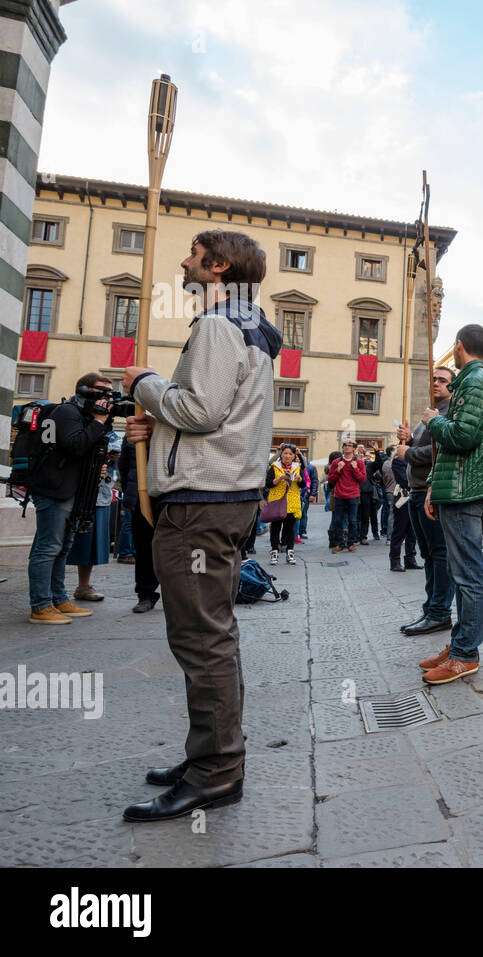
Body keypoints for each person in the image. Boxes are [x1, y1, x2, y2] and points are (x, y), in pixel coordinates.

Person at [121, 228, 280, 821]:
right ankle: (211, 756)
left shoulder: (218, 325)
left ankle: (216, 771)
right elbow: (218, 413)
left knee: (202, 638)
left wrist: (144, 385)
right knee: (212, 633)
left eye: (192, 253)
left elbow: (202, 409)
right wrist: (157, 426)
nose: (184, 261)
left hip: (202, 503)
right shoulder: (253, 324)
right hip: (221, 495)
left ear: (215, 267)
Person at [418, 325, 483, 685]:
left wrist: (434, 420)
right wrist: (435, 487)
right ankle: (458, 646)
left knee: (468, 575)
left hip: (466, 489)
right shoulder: (471, 381)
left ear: (458, 347)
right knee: (461, 573)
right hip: (458, 486)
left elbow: (462, 437)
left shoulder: (473, 382)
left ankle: (465, 653)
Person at [24, 372, 115, 624]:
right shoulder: (67, 412)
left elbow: (82, 451)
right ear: (84, 390)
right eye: (101, 392)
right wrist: (98, 421)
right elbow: (75, 445)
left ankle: (58, 599)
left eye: (109, 393)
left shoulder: (83, 416)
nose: (106, 398)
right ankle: (41, 606)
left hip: (70, 490)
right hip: (54, 489)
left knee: (63, 548)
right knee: (48, 547)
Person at [393, 366, 455, 637]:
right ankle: (431, 608)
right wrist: (409, 439)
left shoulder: (448, 413)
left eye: (443, 380)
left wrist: (408, 453)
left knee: (439, 554)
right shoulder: (429, 414)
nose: (436, 383)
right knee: (428, 554)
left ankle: (440, 612)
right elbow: (426, 445)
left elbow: (442, 451)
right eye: (434, 379)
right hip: (416, 491)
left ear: (452, 386)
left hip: (432, 491)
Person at [68, 431, 120, 603]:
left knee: (89, 545)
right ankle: (53, 589)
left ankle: (83, 586)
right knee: (63, 543)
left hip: (100, 495)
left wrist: (106, 456)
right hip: (76, 494)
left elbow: (116, 451)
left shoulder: (109, 432)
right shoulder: (79, 424)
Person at [118, 438, 160, 613]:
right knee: (143, 547)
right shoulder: (133, 433)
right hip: (141, 497)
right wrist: (130, 496)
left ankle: (177, 593)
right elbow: (125, 466)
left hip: (169, 494)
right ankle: (145, 593)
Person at [264, 443, 304, 566]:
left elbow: (303, 485)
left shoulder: (297, 467)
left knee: (290, 529)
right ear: (281, 454)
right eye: (285, 453)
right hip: (277, 501)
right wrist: (281, 478)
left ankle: (290, 552)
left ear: (294, 456)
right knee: (275, 528)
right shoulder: (274, 467)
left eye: (290, 454)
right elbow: (268, 484)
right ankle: (274, 552)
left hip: (292, 502)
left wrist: (299, 478)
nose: (287, 456)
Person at [327, 441, 367, 553]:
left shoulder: (359, 462)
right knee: (337, 520)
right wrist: (338, 470)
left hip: (353, 495)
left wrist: (355, 469)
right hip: (339, 494)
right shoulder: (336, 462)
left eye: (349, 446)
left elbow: (362, 479)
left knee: (353, 520)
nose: (347, 447)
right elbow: (330, 479)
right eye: (345, 446)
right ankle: (339, 544)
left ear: (354, 449)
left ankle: (351, 543)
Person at [384, 449, 419, 572]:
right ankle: (395, 561)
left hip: (413, 496)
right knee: (400, 530)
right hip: (403, 499)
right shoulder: (398, 461)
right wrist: (418, 483)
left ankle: (410, 559)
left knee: (412, 531)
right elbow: (403, 480)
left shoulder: (413, 460)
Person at [296, 451, 315, 543]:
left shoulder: (309, 467)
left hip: (304, 494)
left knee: (303, 514)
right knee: (295, 515)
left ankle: (302, 532)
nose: (297, 458)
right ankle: (294, 534)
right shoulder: (291, 467)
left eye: (299, 457)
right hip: (295, 493)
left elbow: (312, 480)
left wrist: (311, 492)